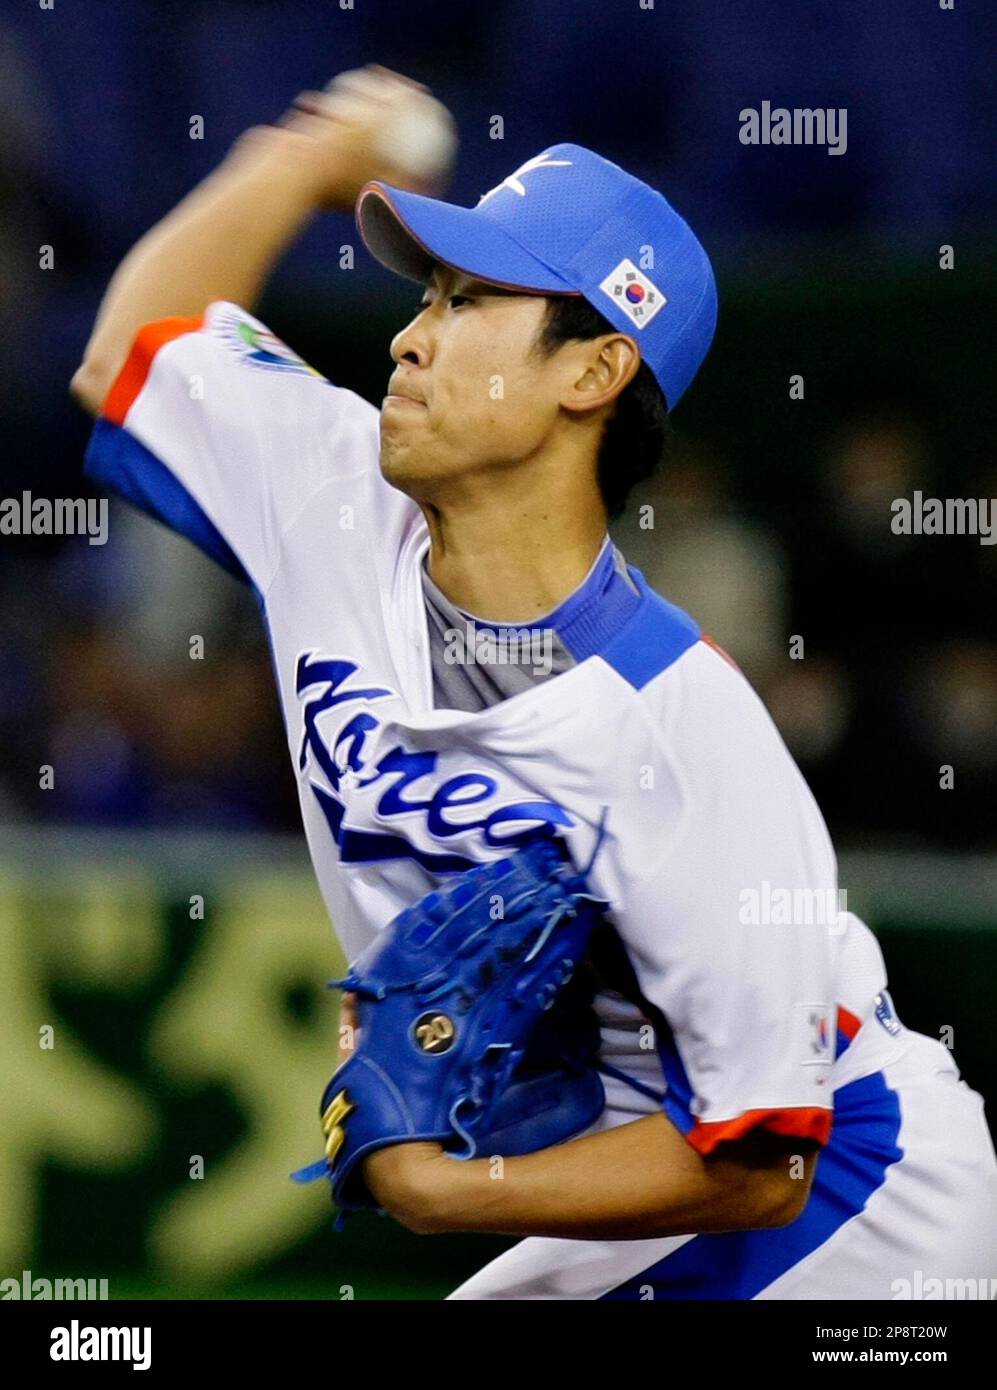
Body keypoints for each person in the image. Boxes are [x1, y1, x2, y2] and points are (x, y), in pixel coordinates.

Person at [71, 65, 997, 1300]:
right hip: (662, 1180)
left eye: (467, 302)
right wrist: (300, 160)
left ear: (592, 372)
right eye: (425, 297)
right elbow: (136, 347)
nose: (408, 335)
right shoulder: (333, 494)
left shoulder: (684, 733)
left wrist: (448, 1191)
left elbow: (765, 1153)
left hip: (858, 1200)